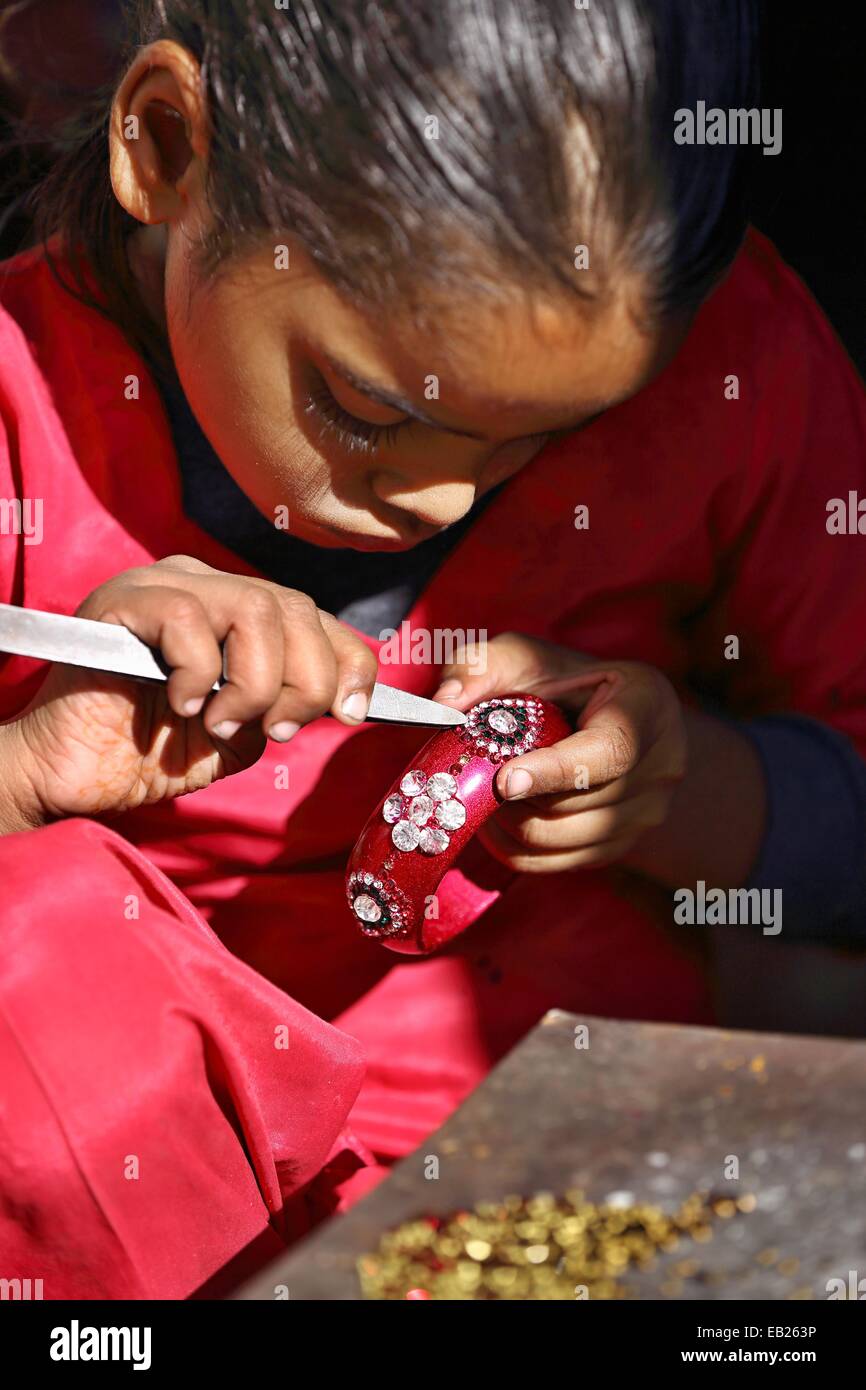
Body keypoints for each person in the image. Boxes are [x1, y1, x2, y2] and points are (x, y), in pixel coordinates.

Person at [1, 0, 864, 1298]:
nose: (445, 503)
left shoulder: (731, 369)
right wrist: (24, 772)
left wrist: (678, 789)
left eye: (545, 443)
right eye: (365, 407)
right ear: (170, 146)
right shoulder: (23, 398)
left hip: (552, 1159)